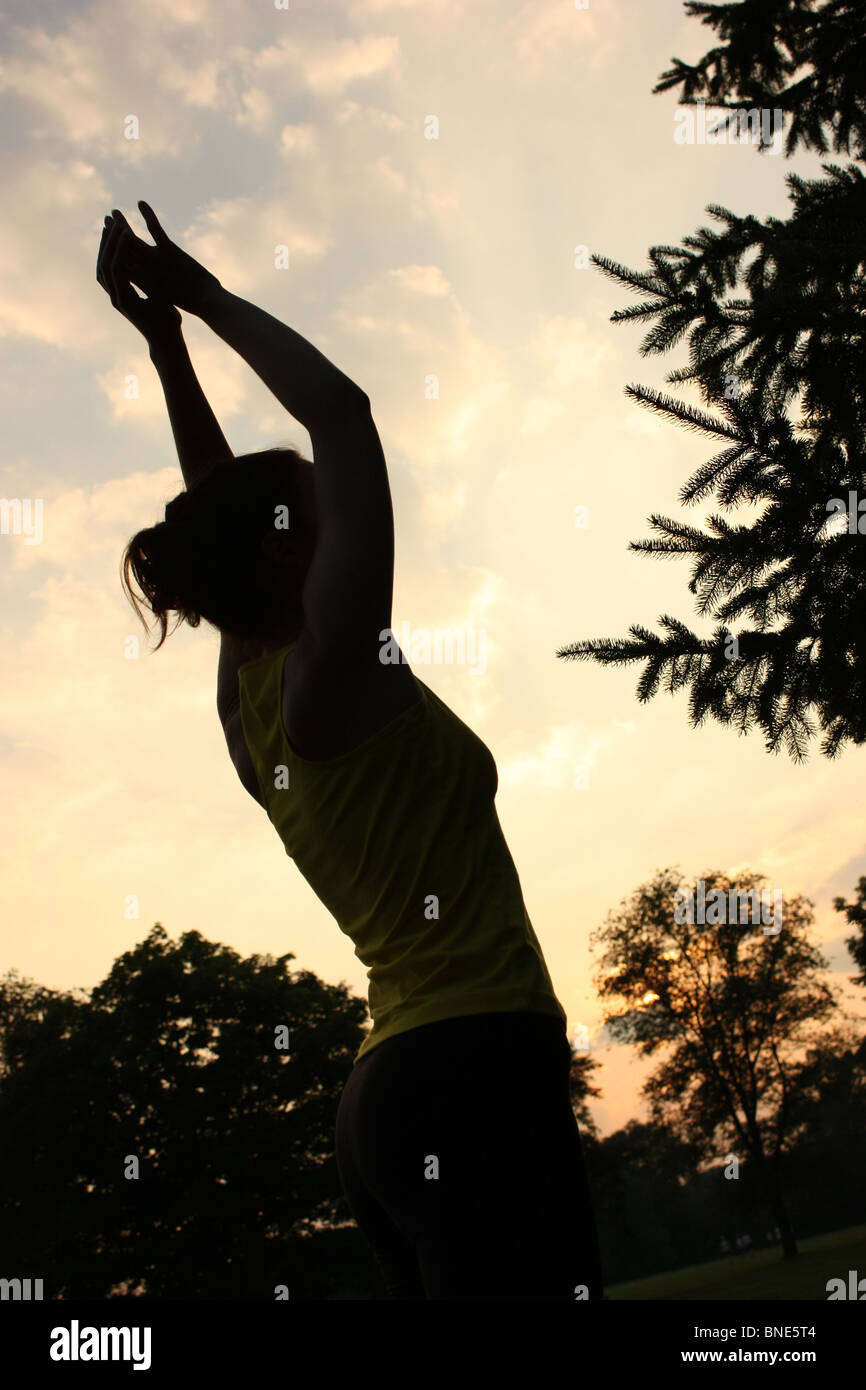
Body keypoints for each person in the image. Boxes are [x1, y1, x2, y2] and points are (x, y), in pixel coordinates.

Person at [97, 202, 603, 1300]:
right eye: (322, 514)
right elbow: (343, 412)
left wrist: (167, 352)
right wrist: (203, 296)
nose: (348, 526)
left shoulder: (254, 697)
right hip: (476, 1071)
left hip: (389, 1097)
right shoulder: (335, 668)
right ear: (293, 560)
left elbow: (223, 510)